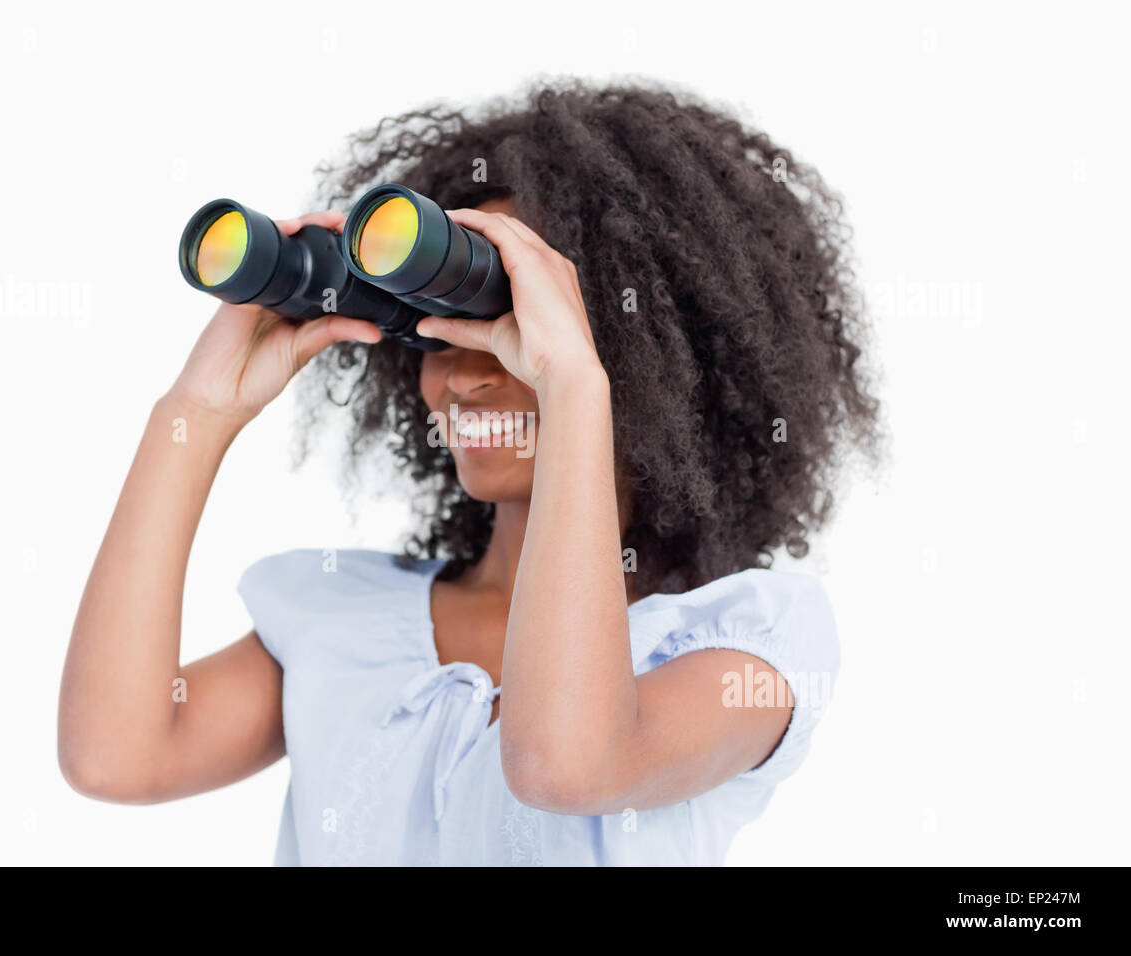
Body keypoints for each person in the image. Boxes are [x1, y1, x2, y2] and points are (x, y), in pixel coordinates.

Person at [58, 78, 882, 865]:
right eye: (438, 332)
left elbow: (567, 763)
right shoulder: (344, 618)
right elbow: (115, 756)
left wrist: (571, 386)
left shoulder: (742, 643)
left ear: (664, 360)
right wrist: (196, 416)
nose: (464, 373)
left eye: (510, 325)